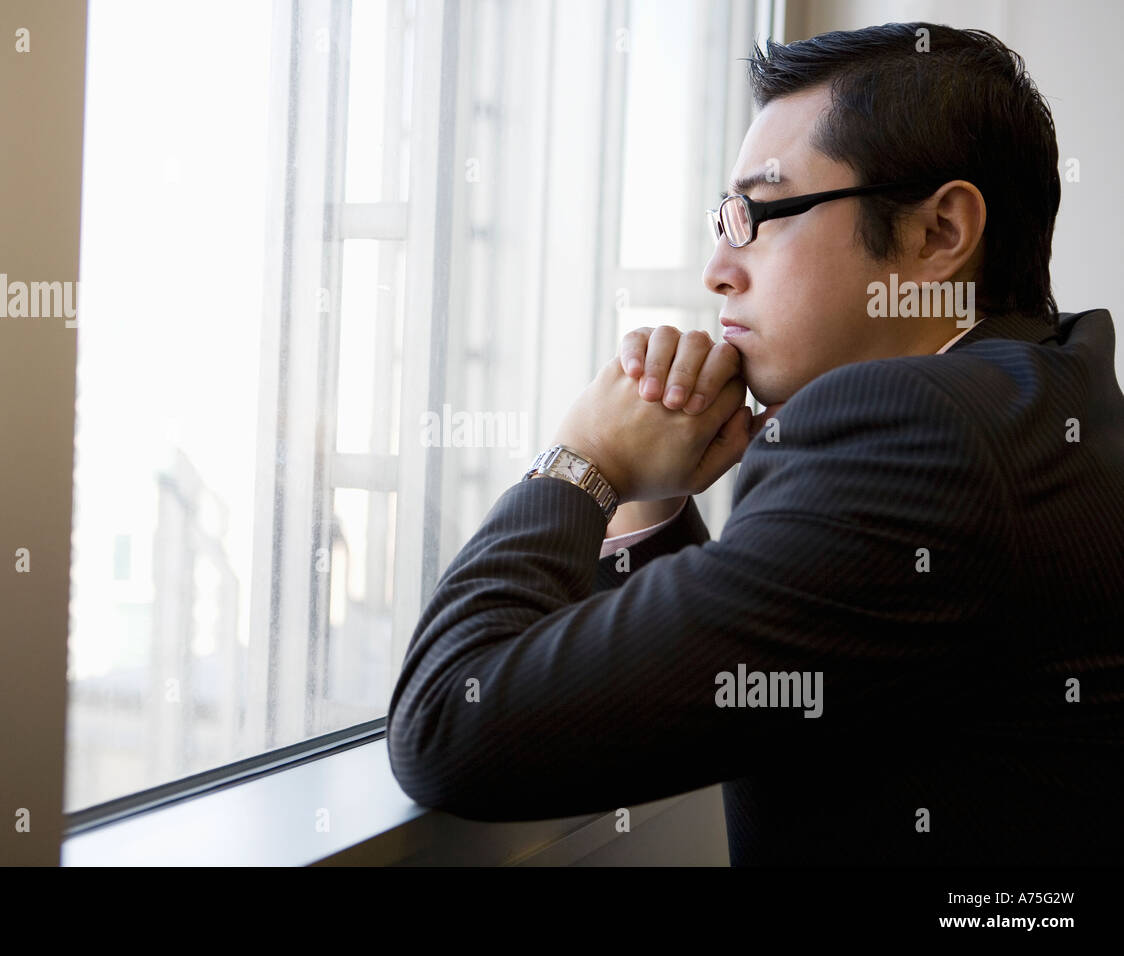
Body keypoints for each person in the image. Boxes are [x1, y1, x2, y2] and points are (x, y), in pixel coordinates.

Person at [386, 22, 1124, 864]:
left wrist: (581, 462)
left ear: (937, 234)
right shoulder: (1046, 393)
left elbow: (454, 725)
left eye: (760, 213)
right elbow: (762, 662)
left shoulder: (921, 436)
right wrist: (654, 497)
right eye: (722, 218)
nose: (718, 269)